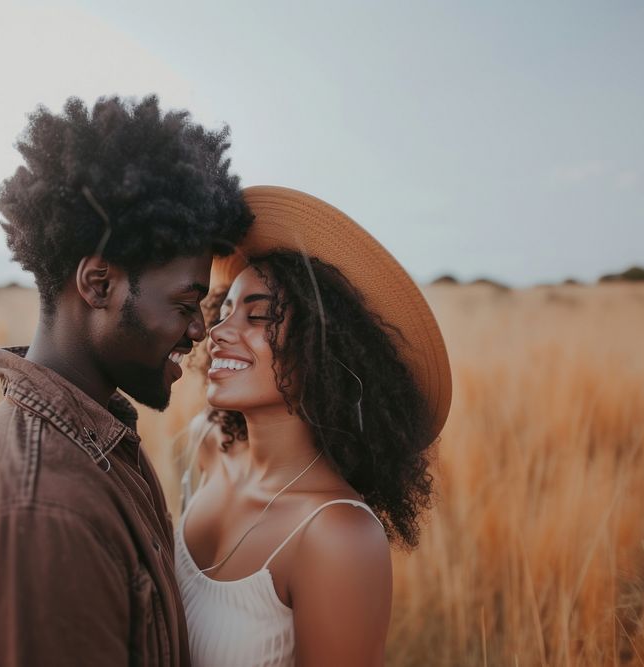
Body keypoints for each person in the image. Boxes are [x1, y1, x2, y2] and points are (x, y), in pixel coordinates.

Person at [0, 95, 254, 666]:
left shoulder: (91, 445)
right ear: (99, 284)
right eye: (186, 303)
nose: (200, 331)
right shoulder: (38, 520)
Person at [175, 186, 452, 666]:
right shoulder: (208, 444)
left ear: (325, 348)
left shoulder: (337, 536)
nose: (217, 333)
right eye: (223, 311)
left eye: (259, 315)